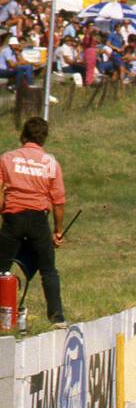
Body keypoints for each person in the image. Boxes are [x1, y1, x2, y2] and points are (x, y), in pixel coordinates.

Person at [0, 118, 67, 324]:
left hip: (13, 218)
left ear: (23, 135)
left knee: (1, 268)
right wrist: (58, 231)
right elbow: (59, 201)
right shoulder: (51, 163)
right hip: (38, 220)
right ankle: (56, 316)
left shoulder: (7, 158)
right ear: (43, 138)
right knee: (48, 270)